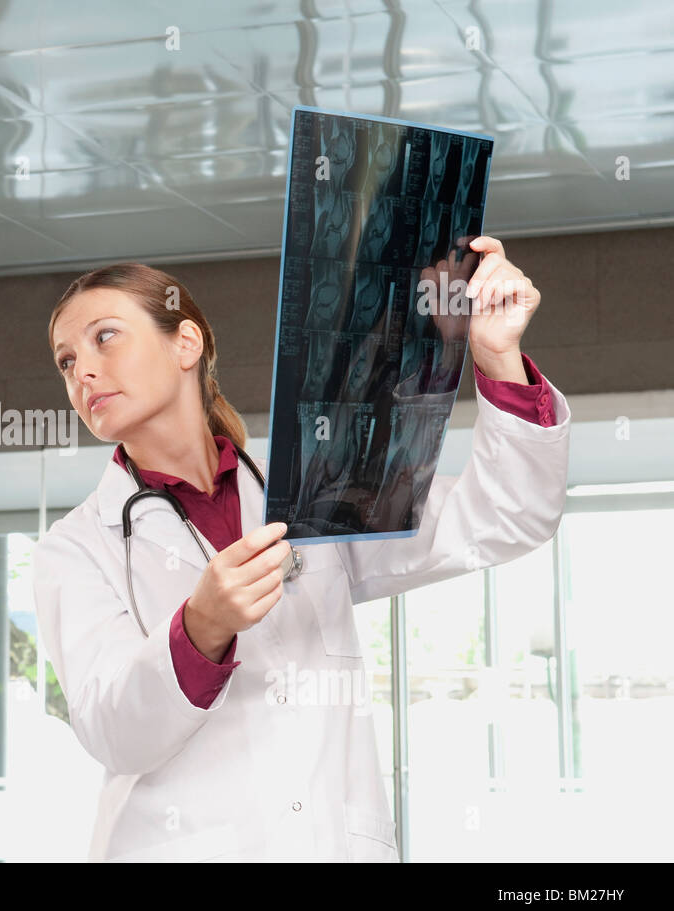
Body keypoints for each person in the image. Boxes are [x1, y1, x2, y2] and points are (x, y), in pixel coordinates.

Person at [33, 239, 569, 861]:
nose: (84, 373)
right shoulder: (74, 550)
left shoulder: (310, 485)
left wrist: (495, 355)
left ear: (186, 343)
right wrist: (200, 627)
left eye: (105, 337)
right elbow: (113, 732)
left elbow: (505, 515)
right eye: (66, 362)